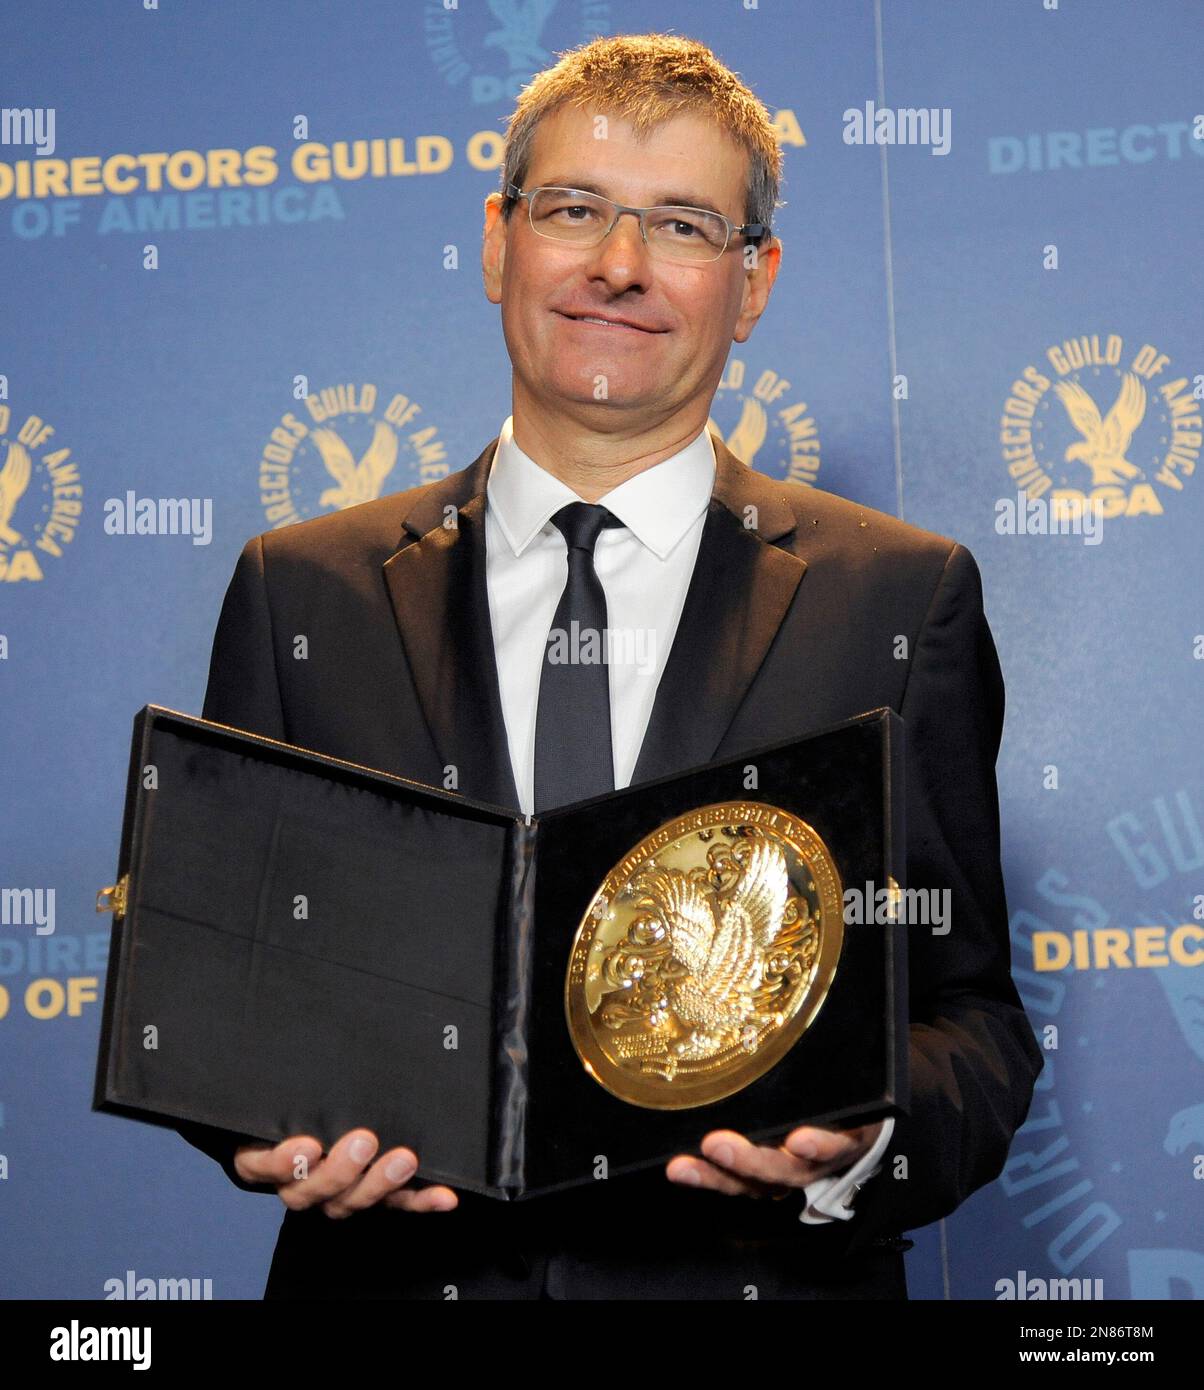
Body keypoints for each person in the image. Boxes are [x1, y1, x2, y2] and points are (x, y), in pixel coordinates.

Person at [179, 32, 1042, 1299]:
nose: (619, 267)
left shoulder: (901, 599)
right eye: (574, 208)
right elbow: (222, 985)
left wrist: (862, 1137)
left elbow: (972, 1019)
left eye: (684, 225)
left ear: (753, 284)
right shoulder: (299, 591)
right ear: (497, 240)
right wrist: (263, 1125)